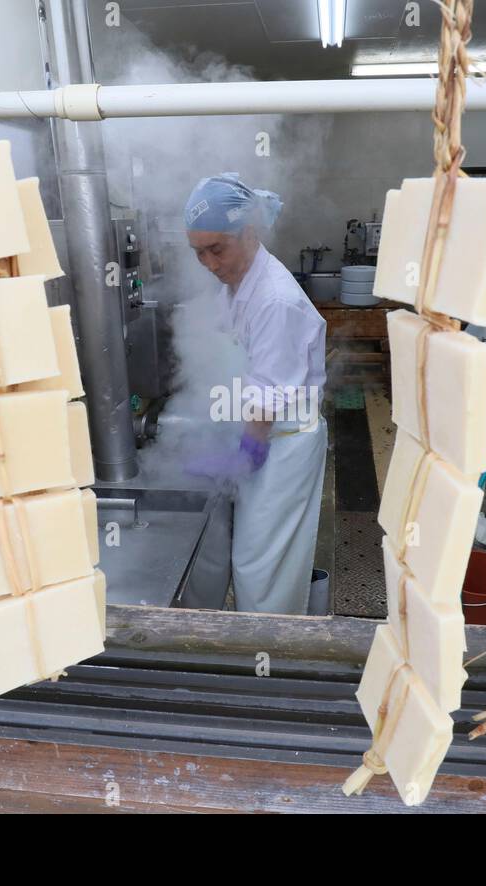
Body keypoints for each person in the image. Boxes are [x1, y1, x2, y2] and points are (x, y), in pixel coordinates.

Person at [182, 172, 328, 616]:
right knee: (254, 555)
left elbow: (267, 392)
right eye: (199, 252)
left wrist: (245, 452)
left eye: (216, 249)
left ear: (248, 233)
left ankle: (273, 659)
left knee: (262, 567)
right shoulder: (239, 282)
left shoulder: (275, 299)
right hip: (264, 432)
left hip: (283, 444)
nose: (208, 263)